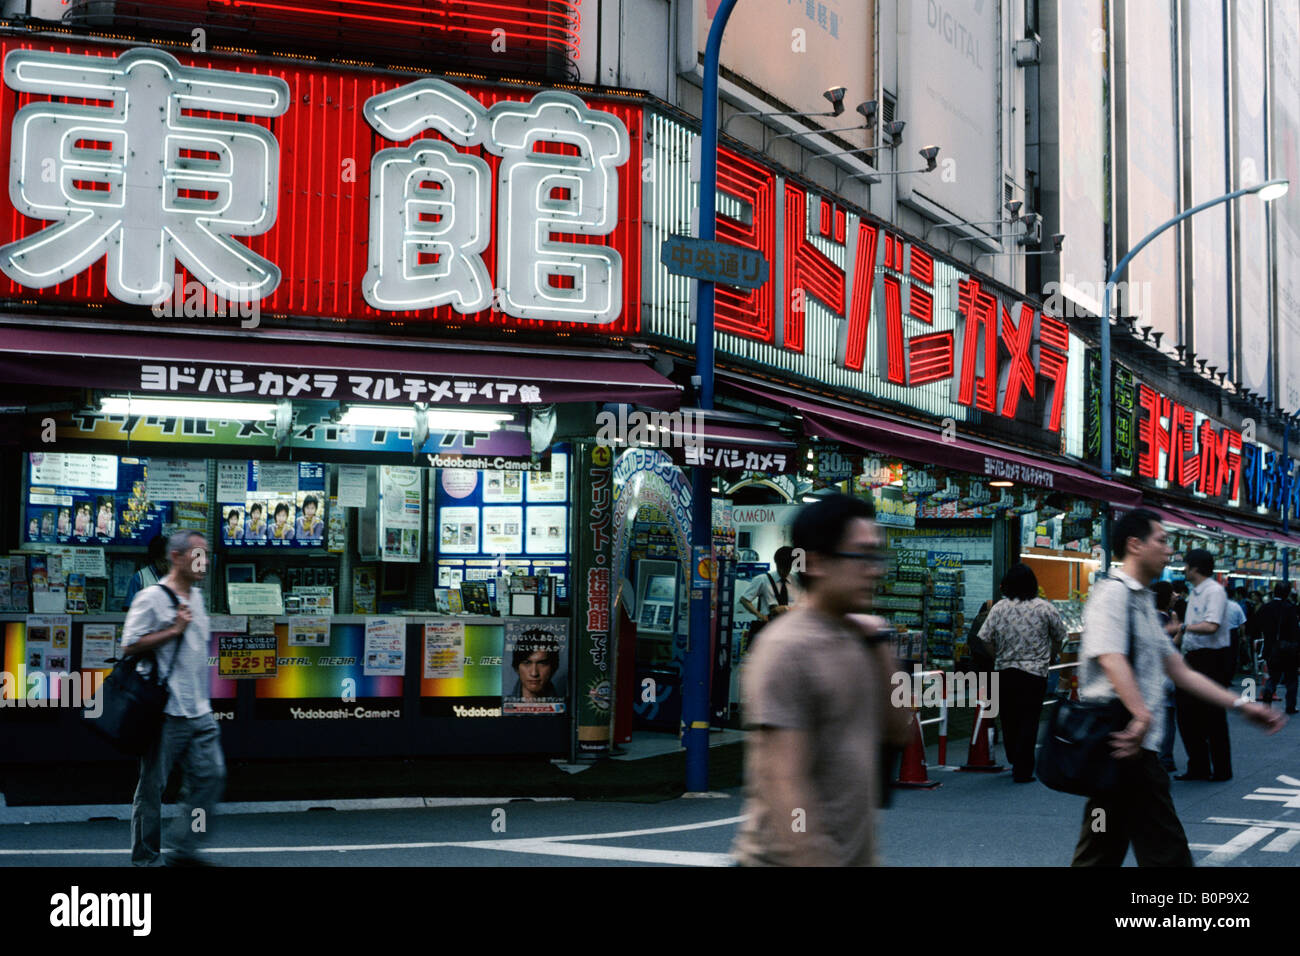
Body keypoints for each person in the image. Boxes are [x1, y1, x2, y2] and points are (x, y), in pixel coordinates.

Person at [1070, 511, 1284, 867]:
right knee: (1162, 854)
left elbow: (1180, 672)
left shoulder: (1141, 601)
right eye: (1162, 540)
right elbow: (1110, 656)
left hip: (1125, 753)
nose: (1170, 551)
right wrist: (1141, 716)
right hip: (1125, 747)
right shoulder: (1112, 594)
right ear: (1134, 544)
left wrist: (1242, 705)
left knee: (1101, 850)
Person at [731, 494, 911, 866]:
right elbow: (784, 783)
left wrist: (880, 647)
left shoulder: (861, 638)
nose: (874, 570)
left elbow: (898, 729)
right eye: (861, 556)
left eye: (877, 556)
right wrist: (810, 855)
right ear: (818, 563)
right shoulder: (786, 649)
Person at [121, 531, 224, 867]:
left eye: (206, 555)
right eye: (198, 554)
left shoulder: (196, 598)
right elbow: (130, 644)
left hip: (200, 712)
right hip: (164, 712)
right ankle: (145, 858)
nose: (204, 561)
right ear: (177, 556)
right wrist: (173, 631)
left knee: (210, 778)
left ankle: (184, 847)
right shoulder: (151, 597)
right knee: (151, 789)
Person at [977, 563, 1066, 782]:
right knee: (1029, 719)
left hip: (1005, 670)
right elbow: (1060, 636)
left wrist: (997, 655)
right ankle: (1023, 769)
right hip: (1035, 672)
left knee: (1009, 717)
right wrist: (1051, 655)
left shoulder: (999, 608)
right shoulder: (1045, 608)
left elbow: (984, 637)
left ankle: (1014, 756)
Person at [1174, 549, 1236, 781]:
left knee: (1213, 716)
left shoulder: (1214, 592)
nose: (1184, 570)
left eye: (1186, 565)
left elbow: (1211, 625)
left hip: (1211, 659)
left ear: (1196, 568)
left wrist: (1182, 628)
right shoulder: (1195, 593)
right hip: (1192, 658)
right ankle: (1198, 765)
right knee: (1187, 714)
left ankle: (1221, 769)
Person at [1255, 583, 1300, 714]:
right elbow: (1295, 631)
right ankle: (1290, 706)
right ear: (1287, 594)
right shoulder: (1291, 608)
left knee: (1273, 676)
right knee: (1291, 679)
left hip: (1271, 648)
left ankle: (1267, 695)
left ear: (1274, 592)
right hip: (1289, 649)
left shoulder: (1265, 607)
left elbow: (1256, 626)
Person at [1152, 580, 1181, 772]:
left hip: (1157, 675)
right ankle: (1165, 757)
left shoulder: (1155, 617)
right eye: (1171, 593)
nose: (1175, 596)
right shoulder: (1162, 619)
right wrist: (1180, 629)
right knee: (1167, 716)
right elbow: (1170, 646)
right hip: (1163, 675)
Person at [739, 545, 803, 628]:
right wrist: (760, 615)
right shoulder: (762, 579)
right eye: (781, 566)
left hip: (791, 627)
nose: (784, 570)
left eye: (787, 567)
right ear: (776, 563)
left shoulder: (796, 581)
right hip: (769, 627)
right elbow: (744, 600)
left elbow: (805, 604)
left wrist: (788, 609)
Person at [124, 535, 169, 608]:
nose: (167, 566)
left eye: (169, 561)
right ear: (155, 559)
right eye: (163, 561)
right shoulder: (140, 578)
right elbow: (129, 609)